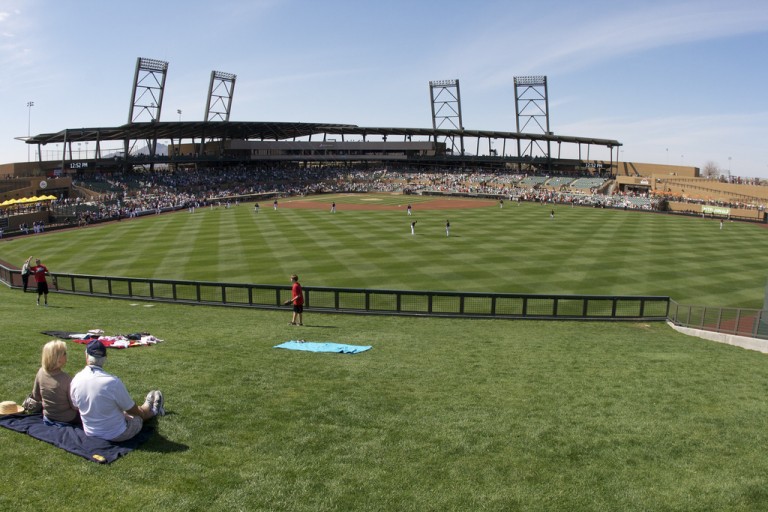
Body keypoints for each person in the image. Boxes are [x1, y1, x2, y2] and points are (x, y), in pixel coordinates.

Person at [70, 340, 165, 442]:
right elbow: (132, 410)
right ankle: (153, 410)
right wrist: (141, 412)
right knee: (137, 417)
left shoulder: (76, 379)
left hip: (90, 432)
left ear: (86, 355)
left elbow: (75, 406)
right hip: (116, 434)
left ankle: (148, 406)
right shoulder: (112, 382)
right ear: (105, 358)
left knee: (122, 411)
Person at [31, 340, 80, 426]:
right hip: (67, 418)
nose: (66, 355)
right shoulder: (66, 379)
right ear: (57, 359)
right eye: (64, 353)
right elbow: (74, 406)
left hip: (48, 416)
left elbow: (36, 396)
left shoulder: (40, 372)